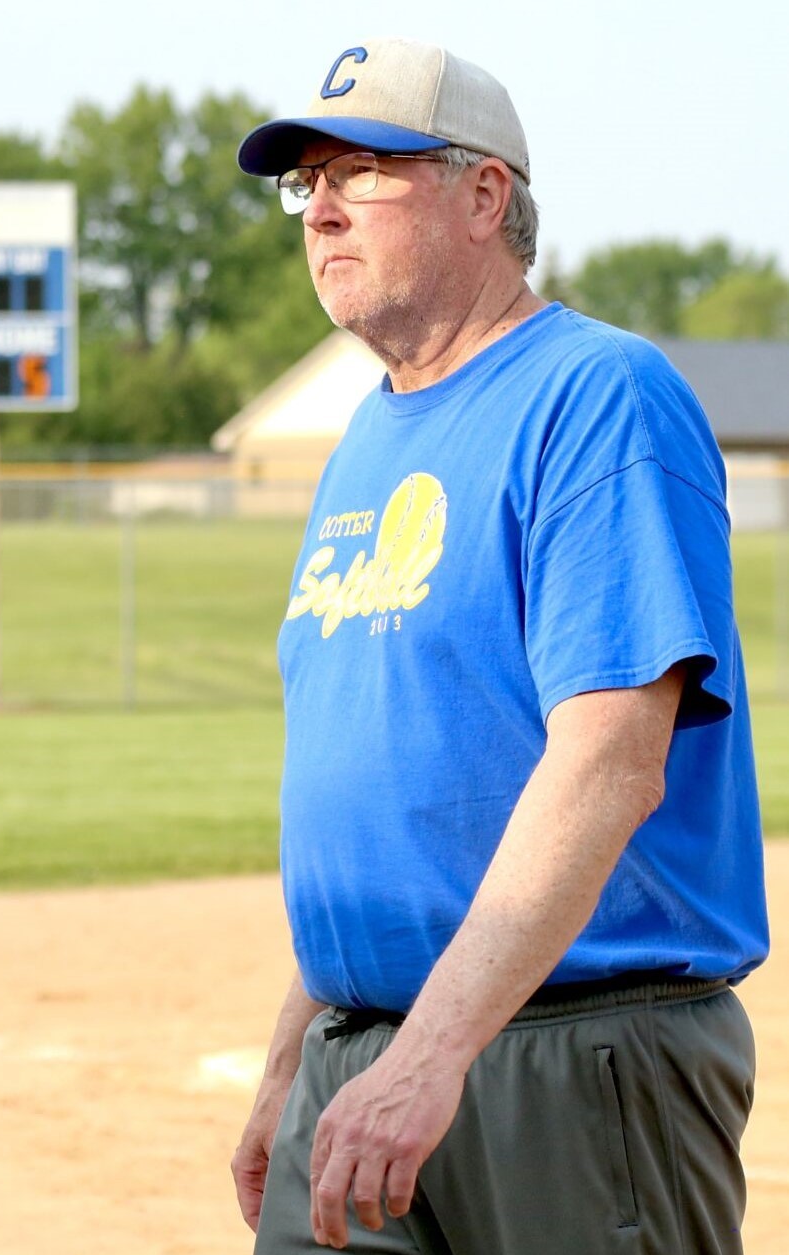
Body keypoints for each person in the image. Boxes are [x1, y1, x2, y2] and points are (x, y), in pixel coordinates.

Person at [227, 37, 769, 1254]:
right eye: (302, 181)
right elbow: (383, 802)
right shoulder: (363, 443)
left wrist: (428, 1056)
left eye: (361, 170)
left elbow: (608, 761)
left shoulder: (593, 396)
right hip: (364, 1057)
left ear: (483, 195)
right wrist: (293, 1059)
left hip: (565, 1055)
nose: (317, 206)